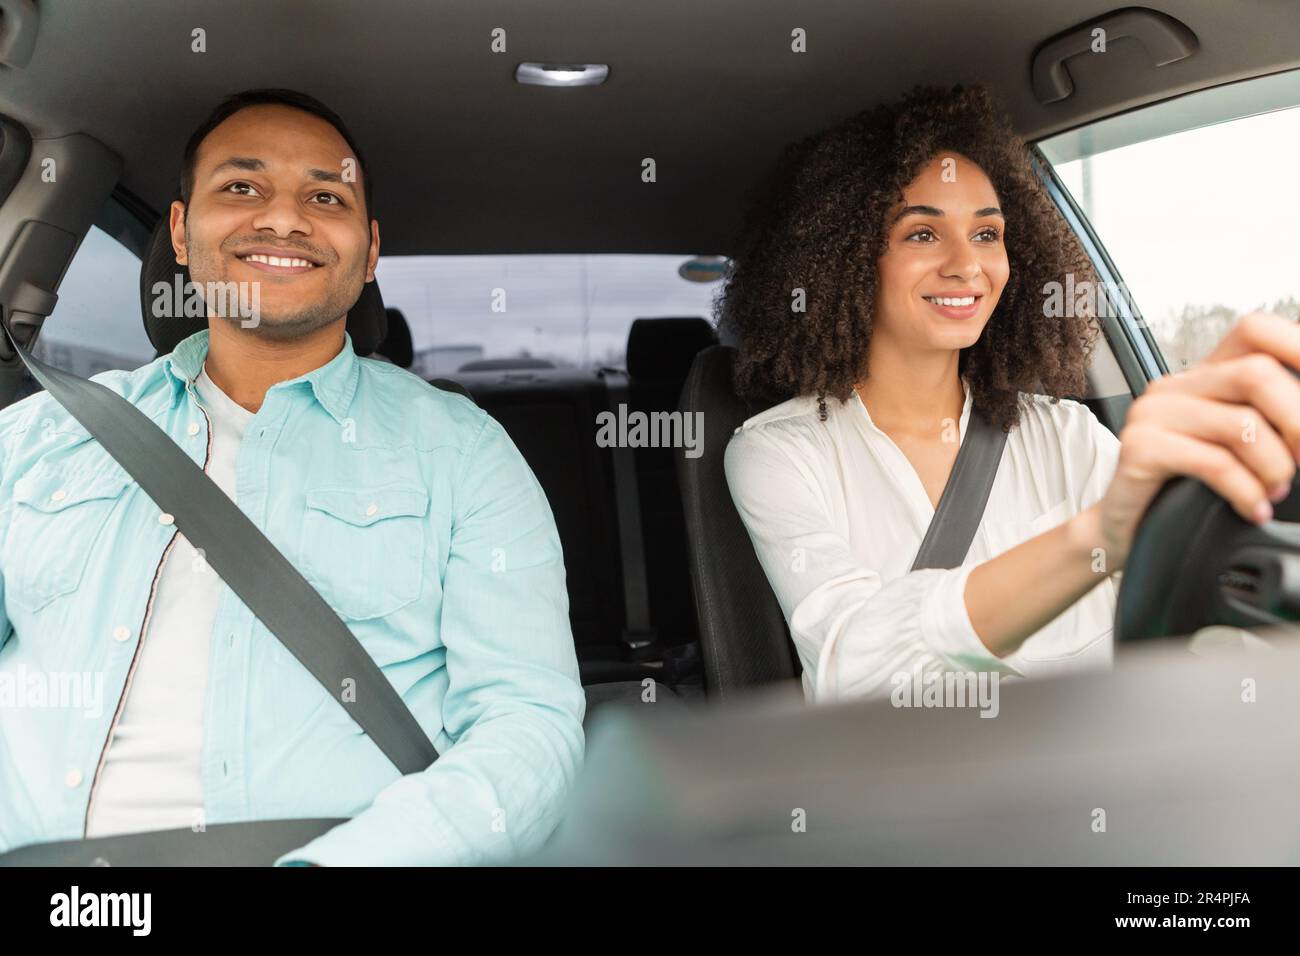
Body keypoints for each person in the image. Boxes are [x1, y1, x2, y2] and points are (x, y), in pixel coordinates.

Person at [0, 89, 585, 864]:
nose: (283, 219)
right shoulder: (42, 434)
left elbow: (529, 723)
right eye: (241, 187)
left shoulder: (463, 452)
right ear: (179, 231)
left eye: (325, 195)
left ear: (370, 250)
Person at [722, 85, 1300, 703]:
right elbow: (854, 666)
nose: (966, 265)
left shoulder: (1068, 436)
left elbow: (1185, 614)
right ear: (847, 259)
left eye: (987, 234)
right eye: (922, 234)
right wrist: (1099, 533)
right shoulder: (778, 453)